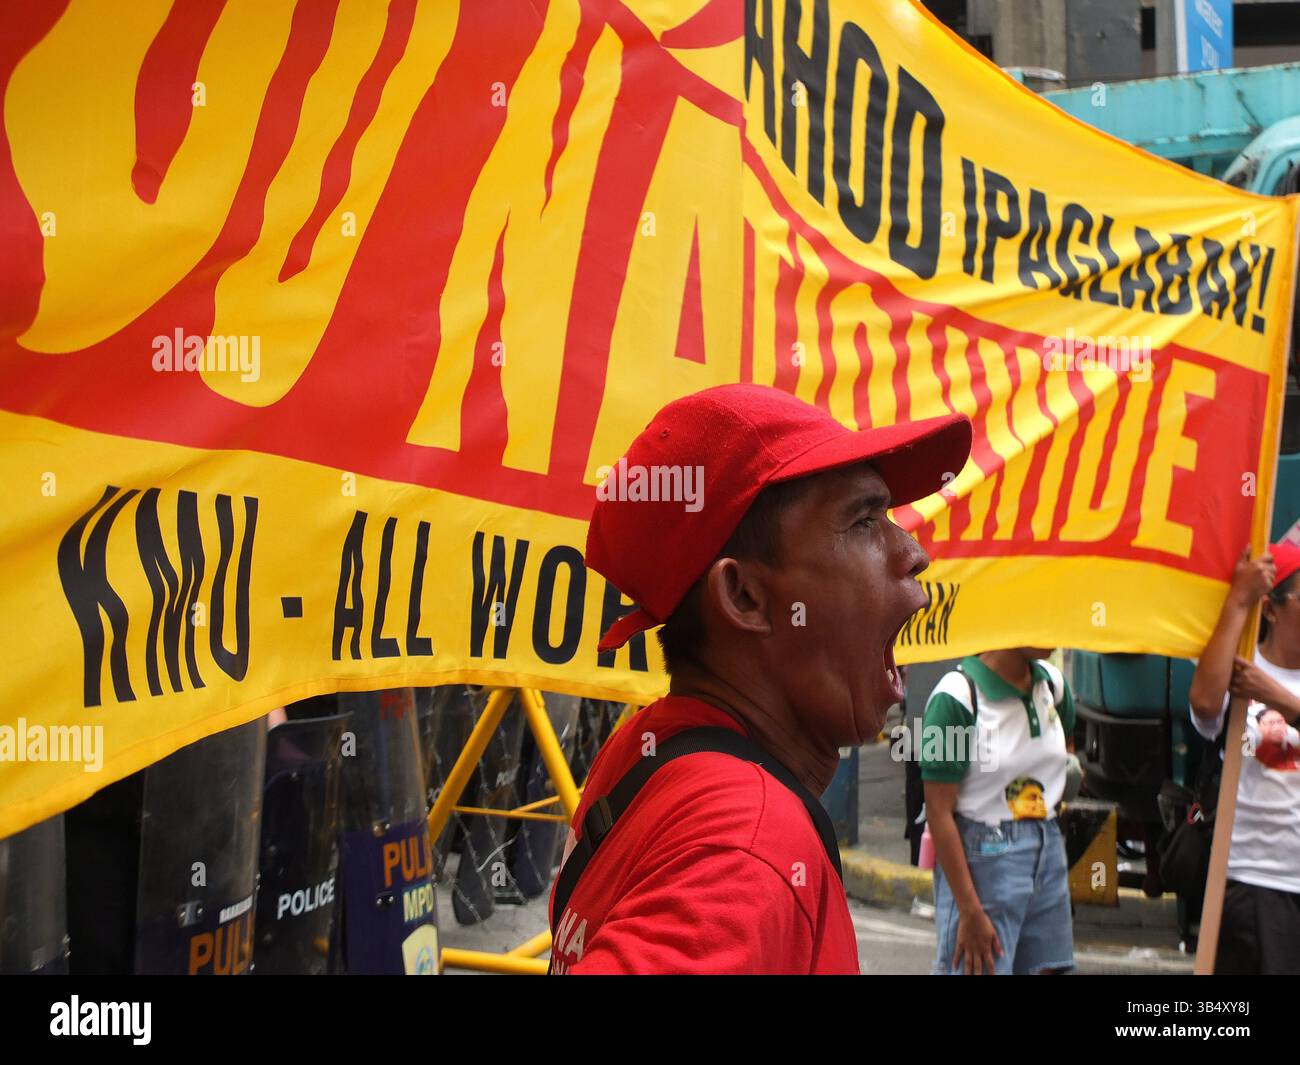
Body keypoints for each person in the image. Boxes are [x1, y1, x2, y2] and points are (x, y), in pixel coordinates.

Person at [547, 383, 970, 974]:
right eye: (865, 521)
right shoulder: (750, 839)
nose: (914, 552)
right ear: (744, 596)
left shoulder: (651, 746)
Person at [920, 648, 1077, 975]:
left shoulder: (1054, 686)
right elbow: (938, 811)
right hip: (982, 860)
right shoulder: (955, 697)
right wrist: (969, 910)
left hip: (1048, 850)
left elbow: (1067, 753)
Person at [1188, 543, 1300, 975]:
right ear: (1270, 610)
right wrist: (1239, 598)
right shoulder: (1242, 671)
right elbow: (1203, 703)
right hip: (1251, 880)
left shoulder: (1266, 686)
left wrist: (1283, 701)